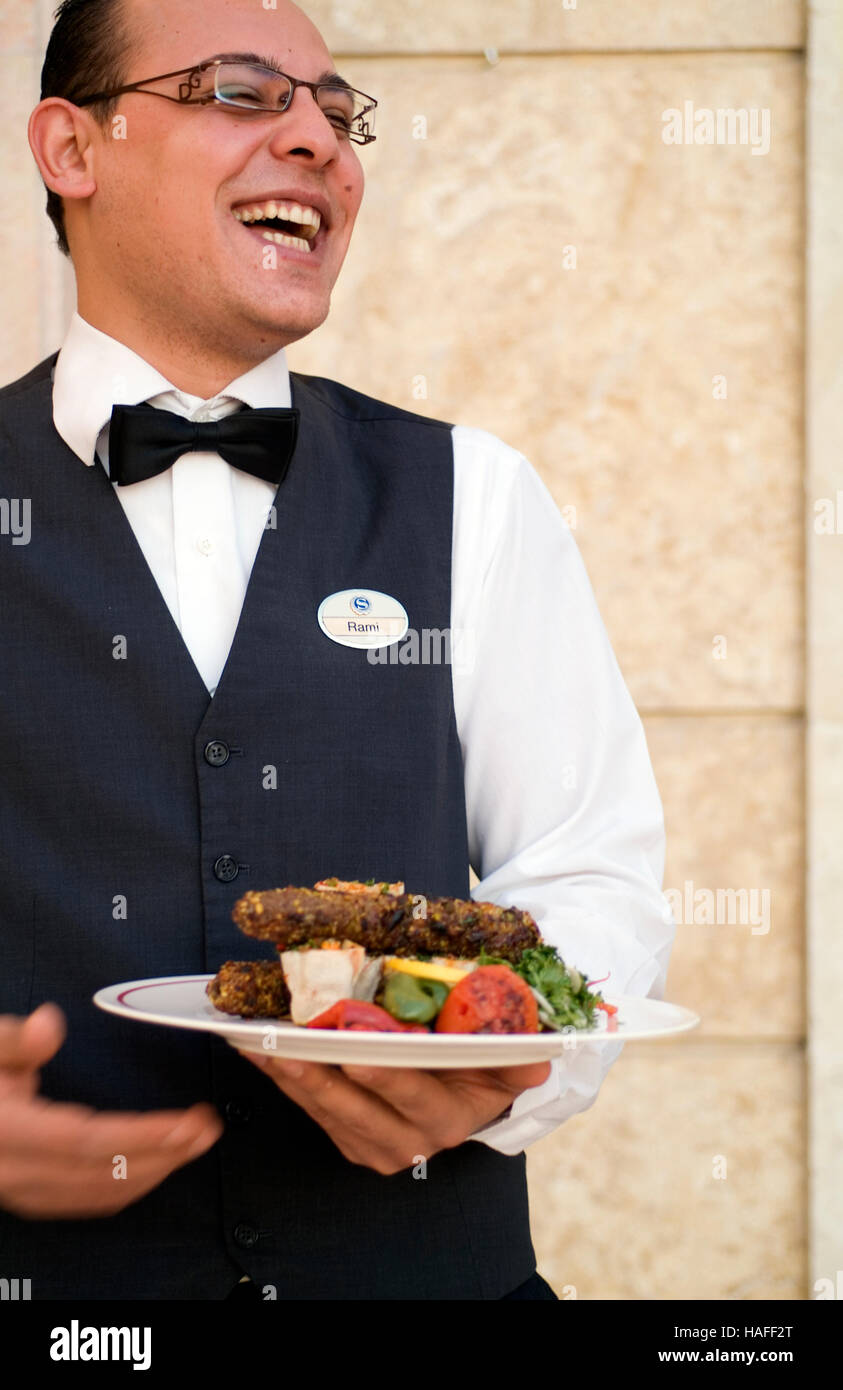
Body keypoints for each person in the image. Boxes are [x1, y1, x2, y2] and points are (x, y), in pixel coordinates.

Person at [0, 0, 674, 1300]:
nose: (319, 140)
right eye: (243, 92)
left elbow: (593, 870)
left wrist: (502, 1075)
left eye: (337, 108)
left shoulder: (476, 492)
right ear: (73, 148)